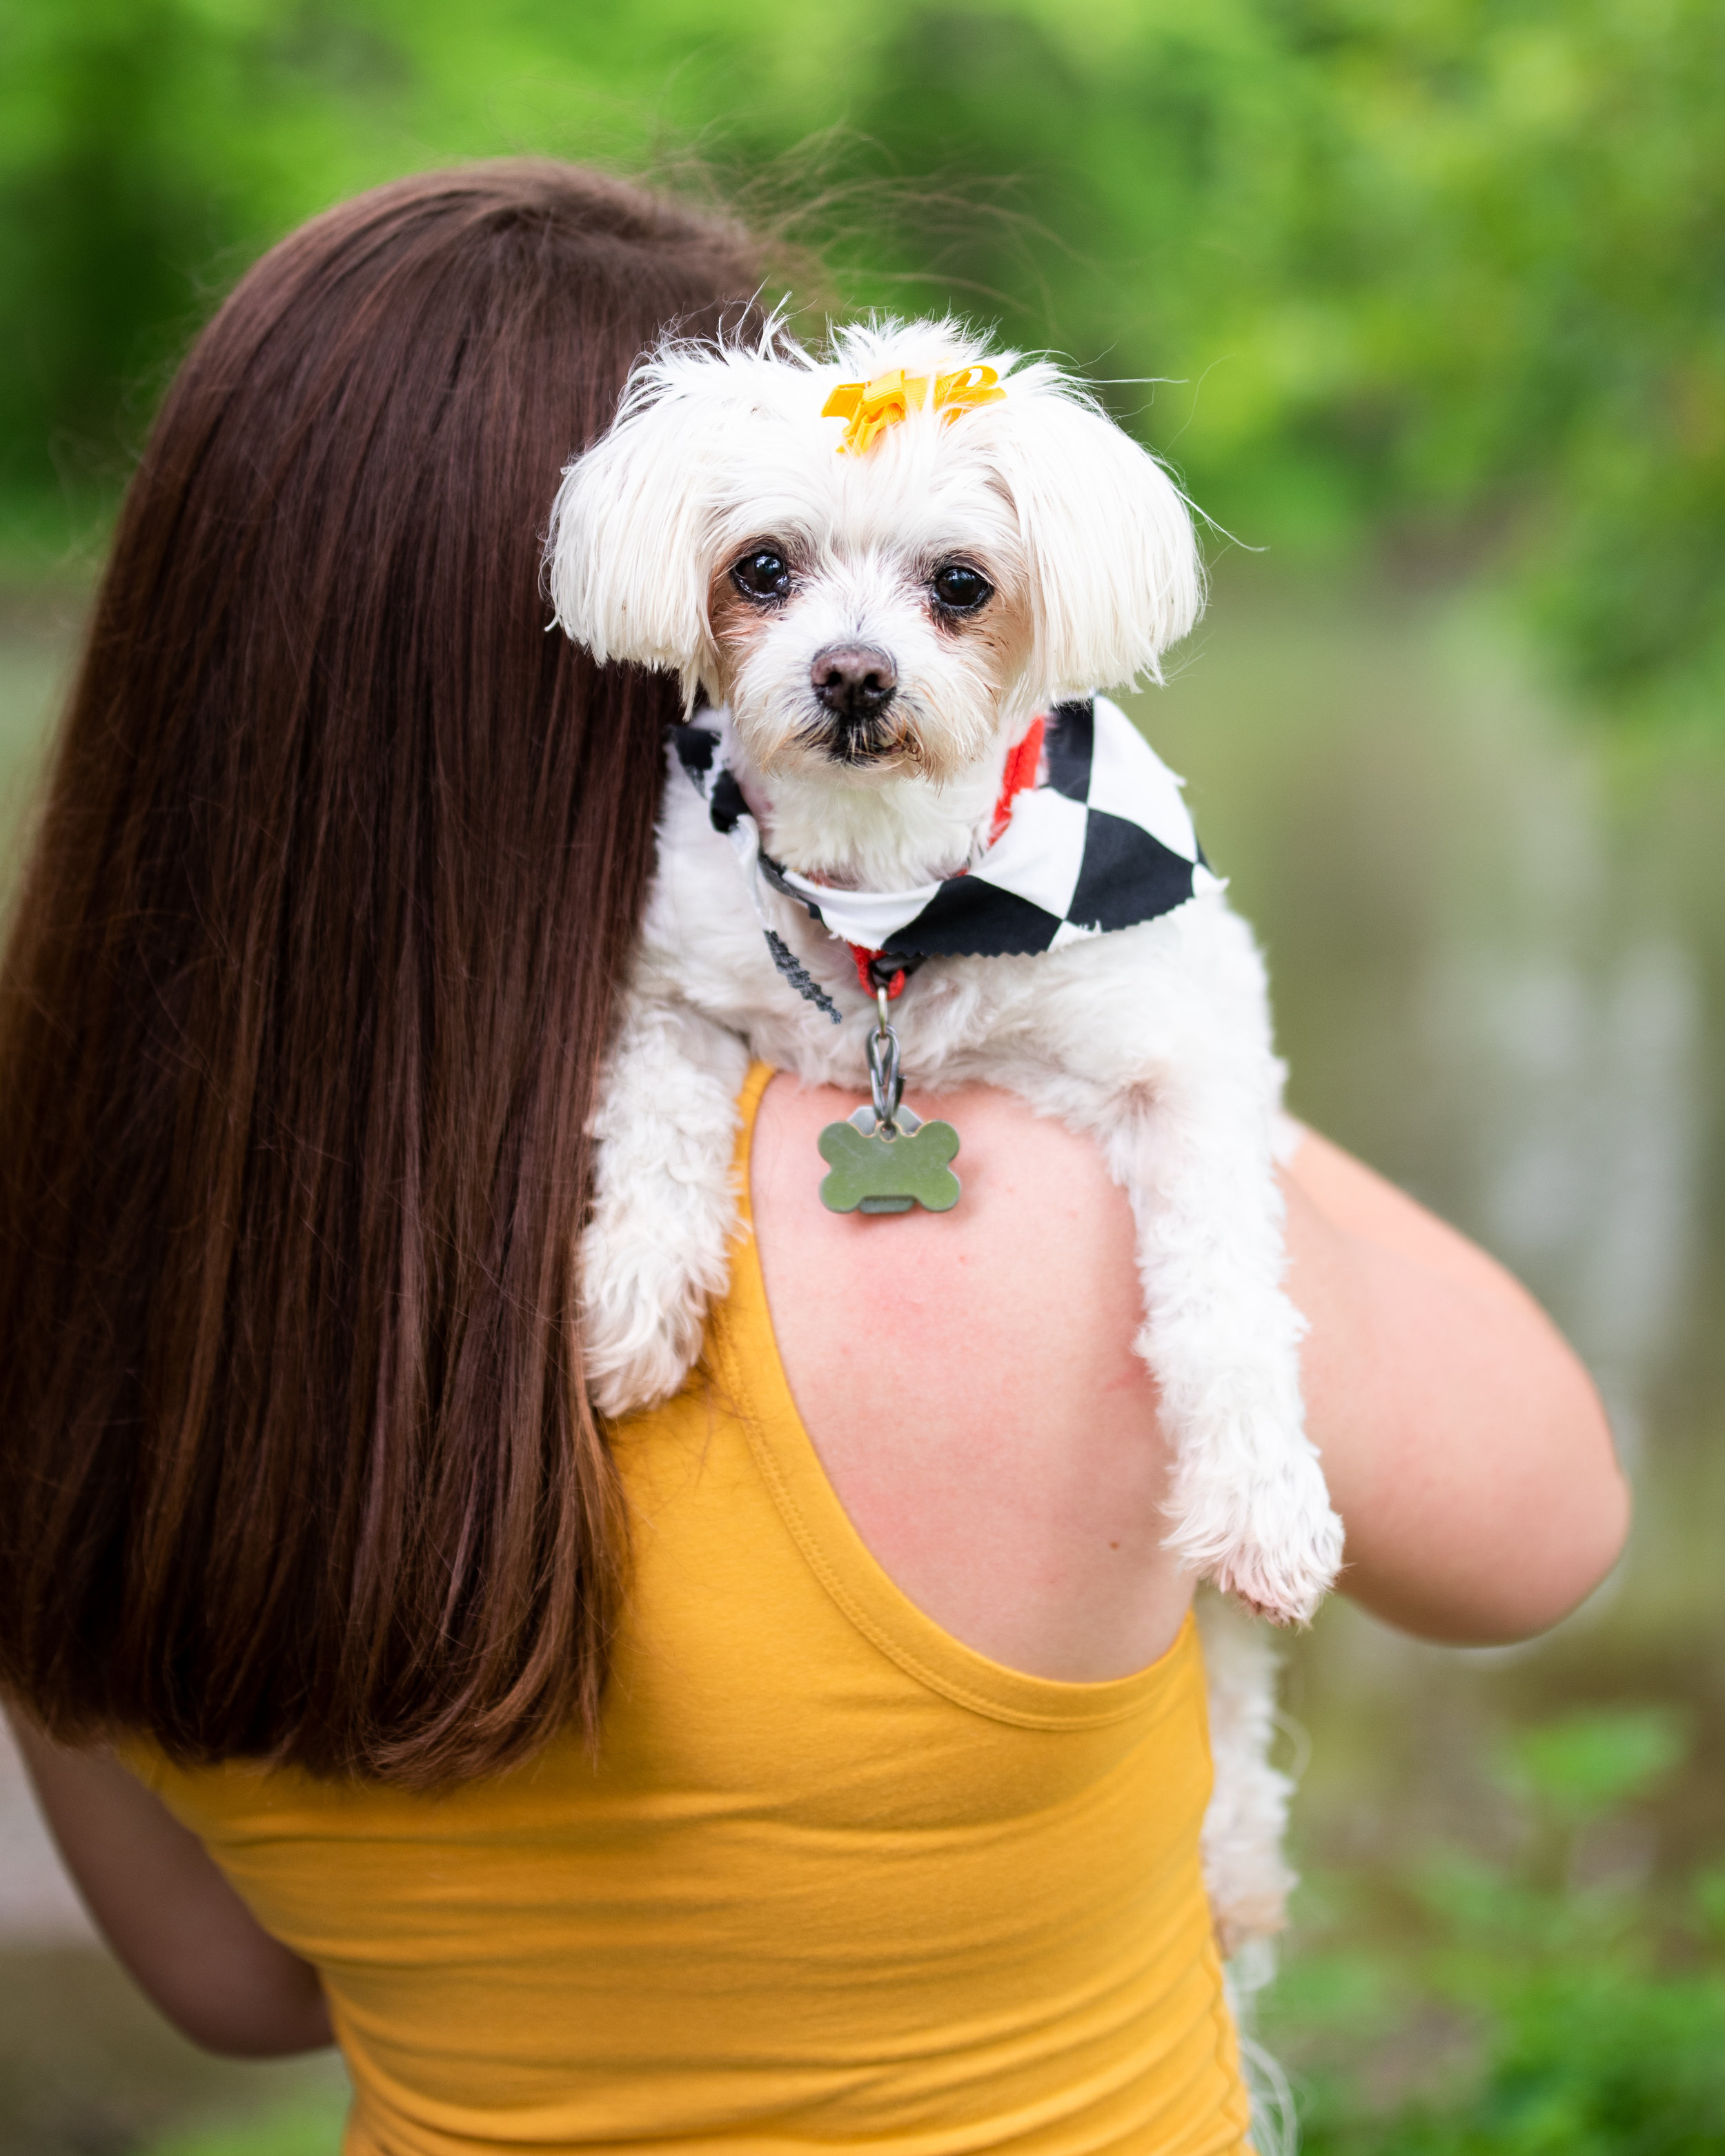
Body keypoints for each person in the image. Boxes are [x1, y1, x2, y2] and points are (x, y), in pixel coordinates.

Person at [0, 162, 1628, 2156]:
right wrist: (1096, 954)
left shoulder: (68, 1297)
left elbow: (239, 1991)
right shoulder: (1055, 1221)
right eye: (762, 577)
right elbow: (1544, 1526)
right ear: (626, 650)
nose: (845, 653)